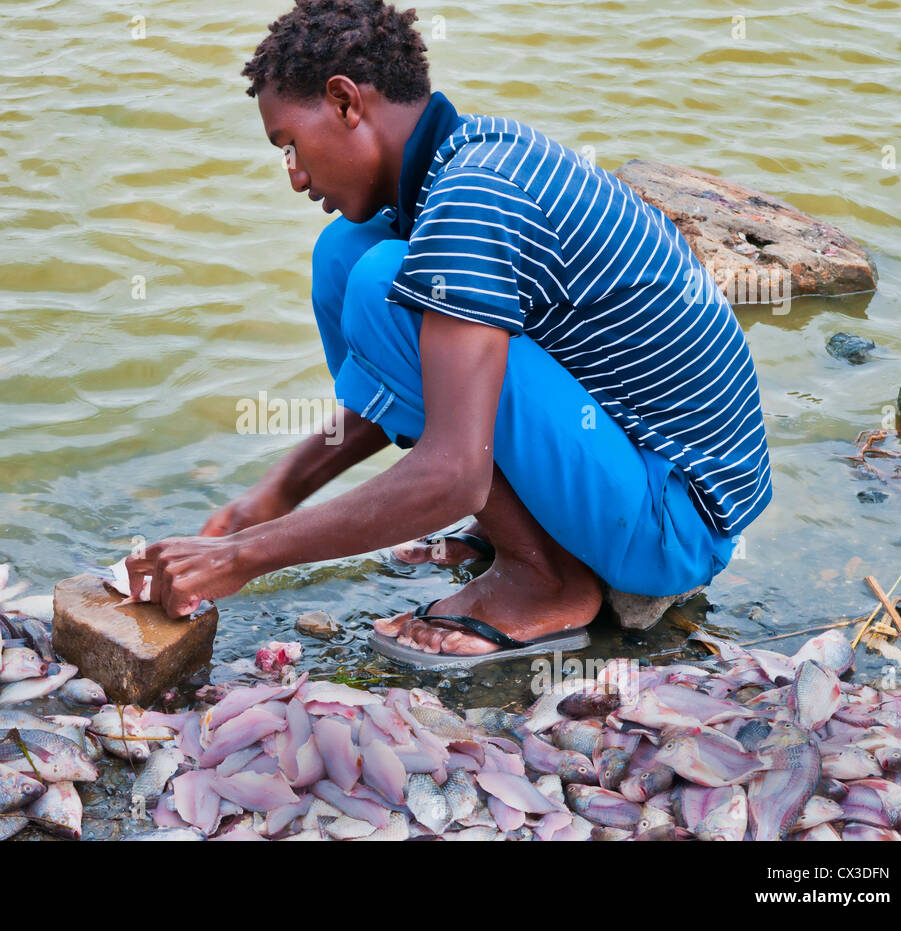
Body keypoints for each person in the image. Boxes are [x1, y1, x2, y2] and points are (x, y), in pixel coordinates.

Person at [124, 0, 771, 667]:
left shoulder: (471, 195)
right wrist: (268, 500)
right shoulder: (460, 164)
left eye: (289, 144)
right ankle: (531, 540)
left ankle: (544, 580)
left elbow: (456, 472)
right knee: (346, 257)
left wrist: (239, 558)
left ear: (346, 102)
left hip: (677, 520)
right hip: (633, 469)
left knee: (380, 282)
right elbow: (422, 379)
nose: (293, 175)